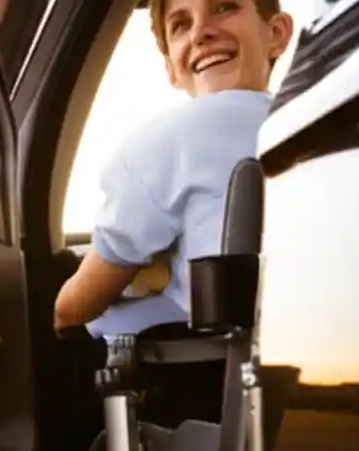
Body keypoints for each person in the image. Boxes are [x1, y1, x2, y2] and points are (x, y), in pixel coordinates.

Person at [53, 0, 293, 337]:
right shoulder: (313, 125)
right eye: (181, 24)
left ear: (277, 33)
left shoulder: (169, 140)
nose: (201, 33)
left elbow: (76, 306)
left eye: (225, 7)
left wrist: (56, 314)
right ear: (170, 66)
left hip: (215, 370)